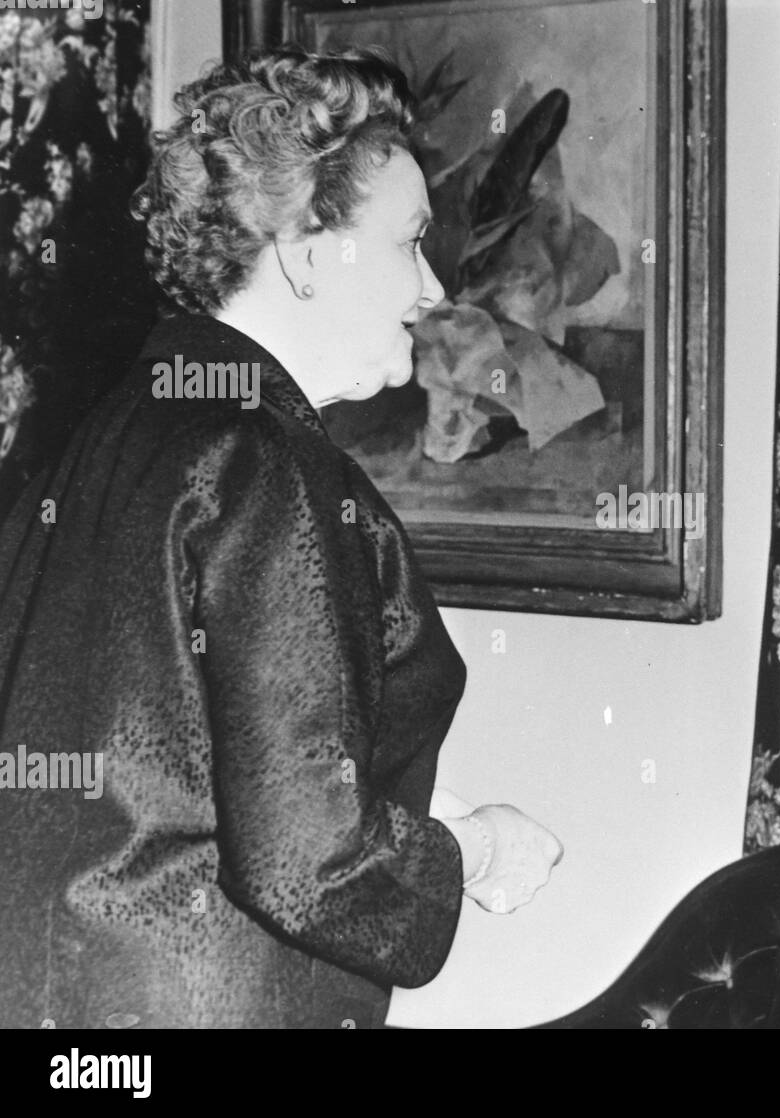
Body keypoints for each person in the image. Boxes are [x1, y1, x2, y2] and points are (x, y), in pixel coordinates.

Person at [0, 48, 562, 1029]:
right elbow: (306, 855)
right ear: (309, 253)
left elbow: (181, 742)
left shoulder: (118, 427)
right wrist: (473, 849)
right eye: (410, 242)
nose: (431, 288)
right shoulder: (265, 456)